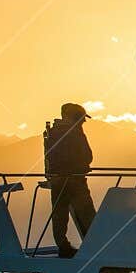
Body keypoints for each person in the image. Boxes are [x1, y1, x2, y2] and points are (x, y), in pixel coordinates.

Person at [44, 102, 95, 258]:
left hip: (57, 180)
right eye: (81, 118)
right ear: (76, 117)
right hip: (75, 180)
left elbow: (49, 157)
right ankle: (95, 245)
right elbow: (87, 155)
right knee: (87, 214)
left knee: (60, 215)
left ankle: (63, 247)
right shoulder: (76, 133)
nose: (84, 122)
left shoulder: (52, 132)